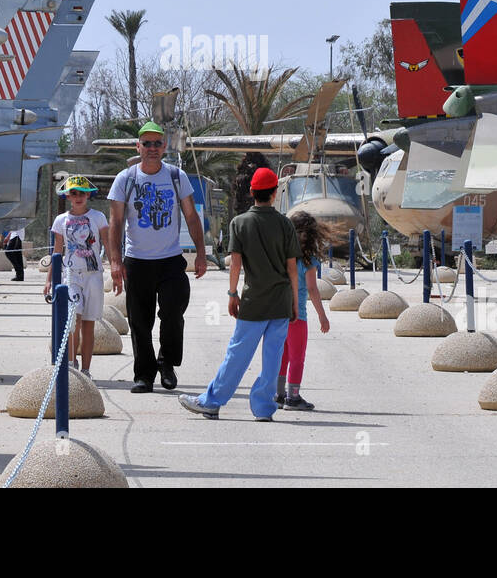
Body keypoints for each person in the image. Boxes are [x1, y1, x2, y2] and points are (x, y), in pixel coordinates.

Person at [179, 167, 298, 421]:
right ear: (275, 194)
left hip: (254, 300)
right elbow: (292, 269)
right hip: (281, 301)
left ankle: (212, 401)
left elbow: (235, 263)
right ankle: (264, 408)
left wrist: (232, 294)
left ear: (252, 192)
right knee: (273, 358)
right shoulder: (285, 224)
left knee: (238, 354)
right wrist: (295, 303)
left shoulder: (240, 223)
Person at [107, 121, 206, 393]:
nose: (152, 148)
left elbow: (191, 215)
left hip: (170, 259)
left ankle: (167, 362)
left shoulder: (176, 176)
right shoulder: (125, 179)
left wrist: (200, 253)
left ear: (164, 146)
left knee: (173, 313)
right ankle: (144, 375)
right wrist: (115, 261)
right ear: (137, 146)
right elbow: (115, 223)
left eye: (156, 143)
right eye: (146, 143)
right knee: (140, 322)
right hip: (137, 261)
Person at [47, 177, 109, 377]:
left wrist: (117, 267)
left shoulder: (98, 217)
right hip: (71, 274)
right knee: (73, 320)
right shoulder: (61, 220)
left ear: (88, 194)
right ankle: (72, 364)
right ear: (68, 196)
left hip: (94, 275)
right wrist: (49, 279)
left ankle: (86, 369)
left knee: (89, 323)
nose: (78, 197)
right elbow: (57, 252)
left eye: (82, 192)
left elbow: (107, 244)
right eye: (74, 193)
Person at [276, 212, 331, 410]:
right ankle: (293, 397)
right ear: (311, 235)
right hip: (298, 315)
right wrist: (322, 316)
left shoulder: (282, 255)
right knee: (297, 357)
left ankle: (279, 393)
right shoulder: (308, 260)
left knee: (282, 355)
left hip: (280, 314)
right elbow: (312, 288)